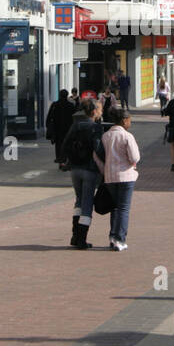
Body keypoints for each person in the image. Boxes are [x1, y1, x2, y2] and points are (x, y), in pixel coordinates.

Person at [61, 98, 105, 249]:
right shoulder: (96, 127)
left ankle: (74, 235)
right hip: (89, 169)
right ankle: (81, 239)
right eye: (100, 109)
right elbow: (98, 148)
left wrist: (68, 160)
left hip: (75, 169)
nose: (101, 111)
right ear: (94, 112)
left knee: (79, 200)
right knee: (87, 204)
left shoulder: (76, 125)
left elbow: (65, 143)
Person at [96, 106, 140, 251]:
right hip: (126, 176)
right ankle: (120, 239)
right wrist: (132, 163)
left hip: (110, 177)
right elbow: (134, 157)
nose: (130, 123)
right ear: (124, 121)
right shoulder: (127, 136)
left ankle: (113, 237)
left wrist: (104, 169)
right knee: (123, 208)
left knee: (115, 207)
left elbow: (97, 155)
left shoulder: (105, 136)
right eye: (129, 120)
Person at [45, 89, 76, 165]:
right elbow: (74, 118)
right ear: (67, 95)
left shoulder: (55, 105)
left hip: (57, 130)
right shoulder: (71, 106)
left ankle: (60, 160)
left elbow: (49, 117)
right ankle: (65, 160)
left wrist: (48, 126)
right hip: (68, 129)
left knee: (58, 145)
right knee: (67, 145)